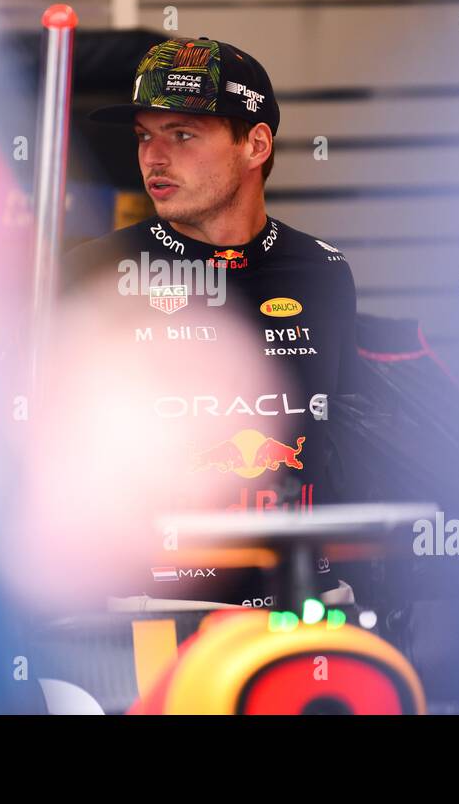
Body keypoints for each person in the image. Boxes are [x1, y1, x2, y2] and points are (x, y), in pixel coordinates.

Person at [61, 36, 366, 610]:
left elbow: (343, 446)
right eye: (144, 137)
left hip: (300, 605)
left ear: (255, 145)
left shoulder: (324, 272)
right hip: (150, 610)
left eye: (182, 135)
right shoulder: (96, 273)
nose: (154, 157)